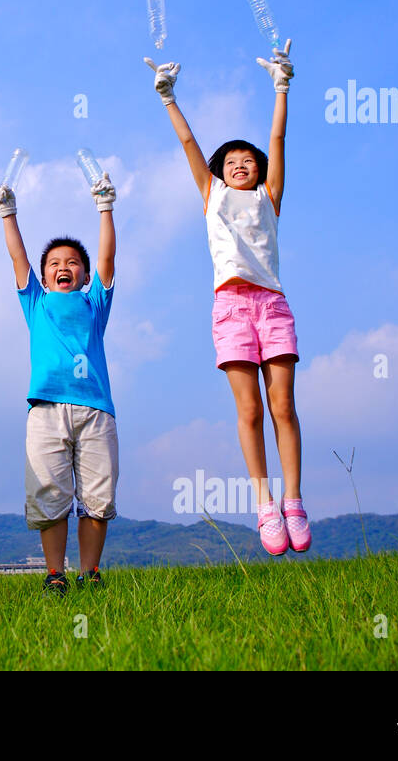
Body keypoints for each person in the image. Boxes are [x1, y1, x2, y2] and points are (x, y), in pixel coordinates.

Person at [145, 41, 310, 555]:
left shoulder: (268, 197)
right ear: (220, 172)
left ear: (260, 171)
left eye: (249, 161)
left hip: (272, 303)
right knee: (250, 411)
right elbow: (190, 144)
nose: (241, 165)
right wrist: (169, 96)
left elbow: (277, 136)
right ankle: (264, 503)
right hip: (231, 307)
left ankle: (294, 500)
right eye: (232, 161)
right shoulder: (212, 194)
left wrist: (281, 86)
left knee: (283, 405)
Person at [0, 168, 118, 595]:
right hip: (44, 409)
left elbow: (108, 259)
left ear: (83, 275)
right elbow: (17, 259)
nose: (64, 267)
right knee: (50, 494)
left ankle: (91, 572)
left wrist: (104, 208)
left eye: (72, 264)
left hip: (96, 410)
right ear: (44, 278)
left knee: (97, 497)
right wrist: (8, 213)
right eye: (55, 264)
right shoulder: (36, 303)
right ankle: (55, 574)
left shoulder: (95, 303)